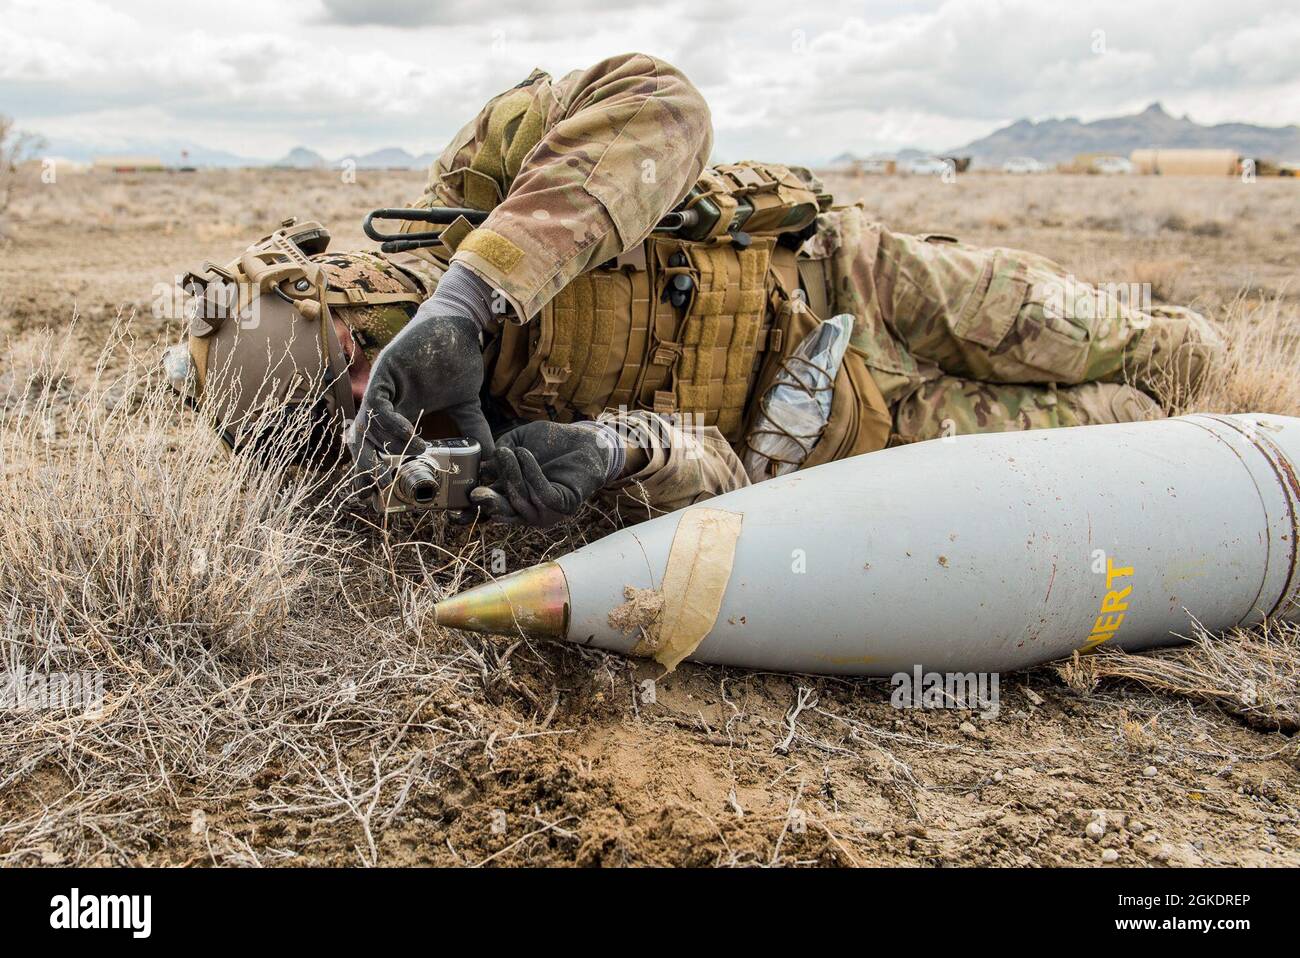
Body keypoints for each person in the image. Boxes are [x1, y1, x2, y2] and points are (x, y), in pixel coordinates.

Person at [174, 53, 1221, 527]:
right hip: (847, 427)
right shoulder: (459, 474)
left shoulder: (477, 187)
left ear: (354, 295)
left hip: (857, 274)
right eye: (337, 417)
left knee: (1170, 354)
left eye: (354, 360)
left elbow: (661, 100)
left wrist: (470, 300)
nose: (371, 400)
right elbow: (719, 481)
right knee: (1130, 428)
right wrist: (619, 459)